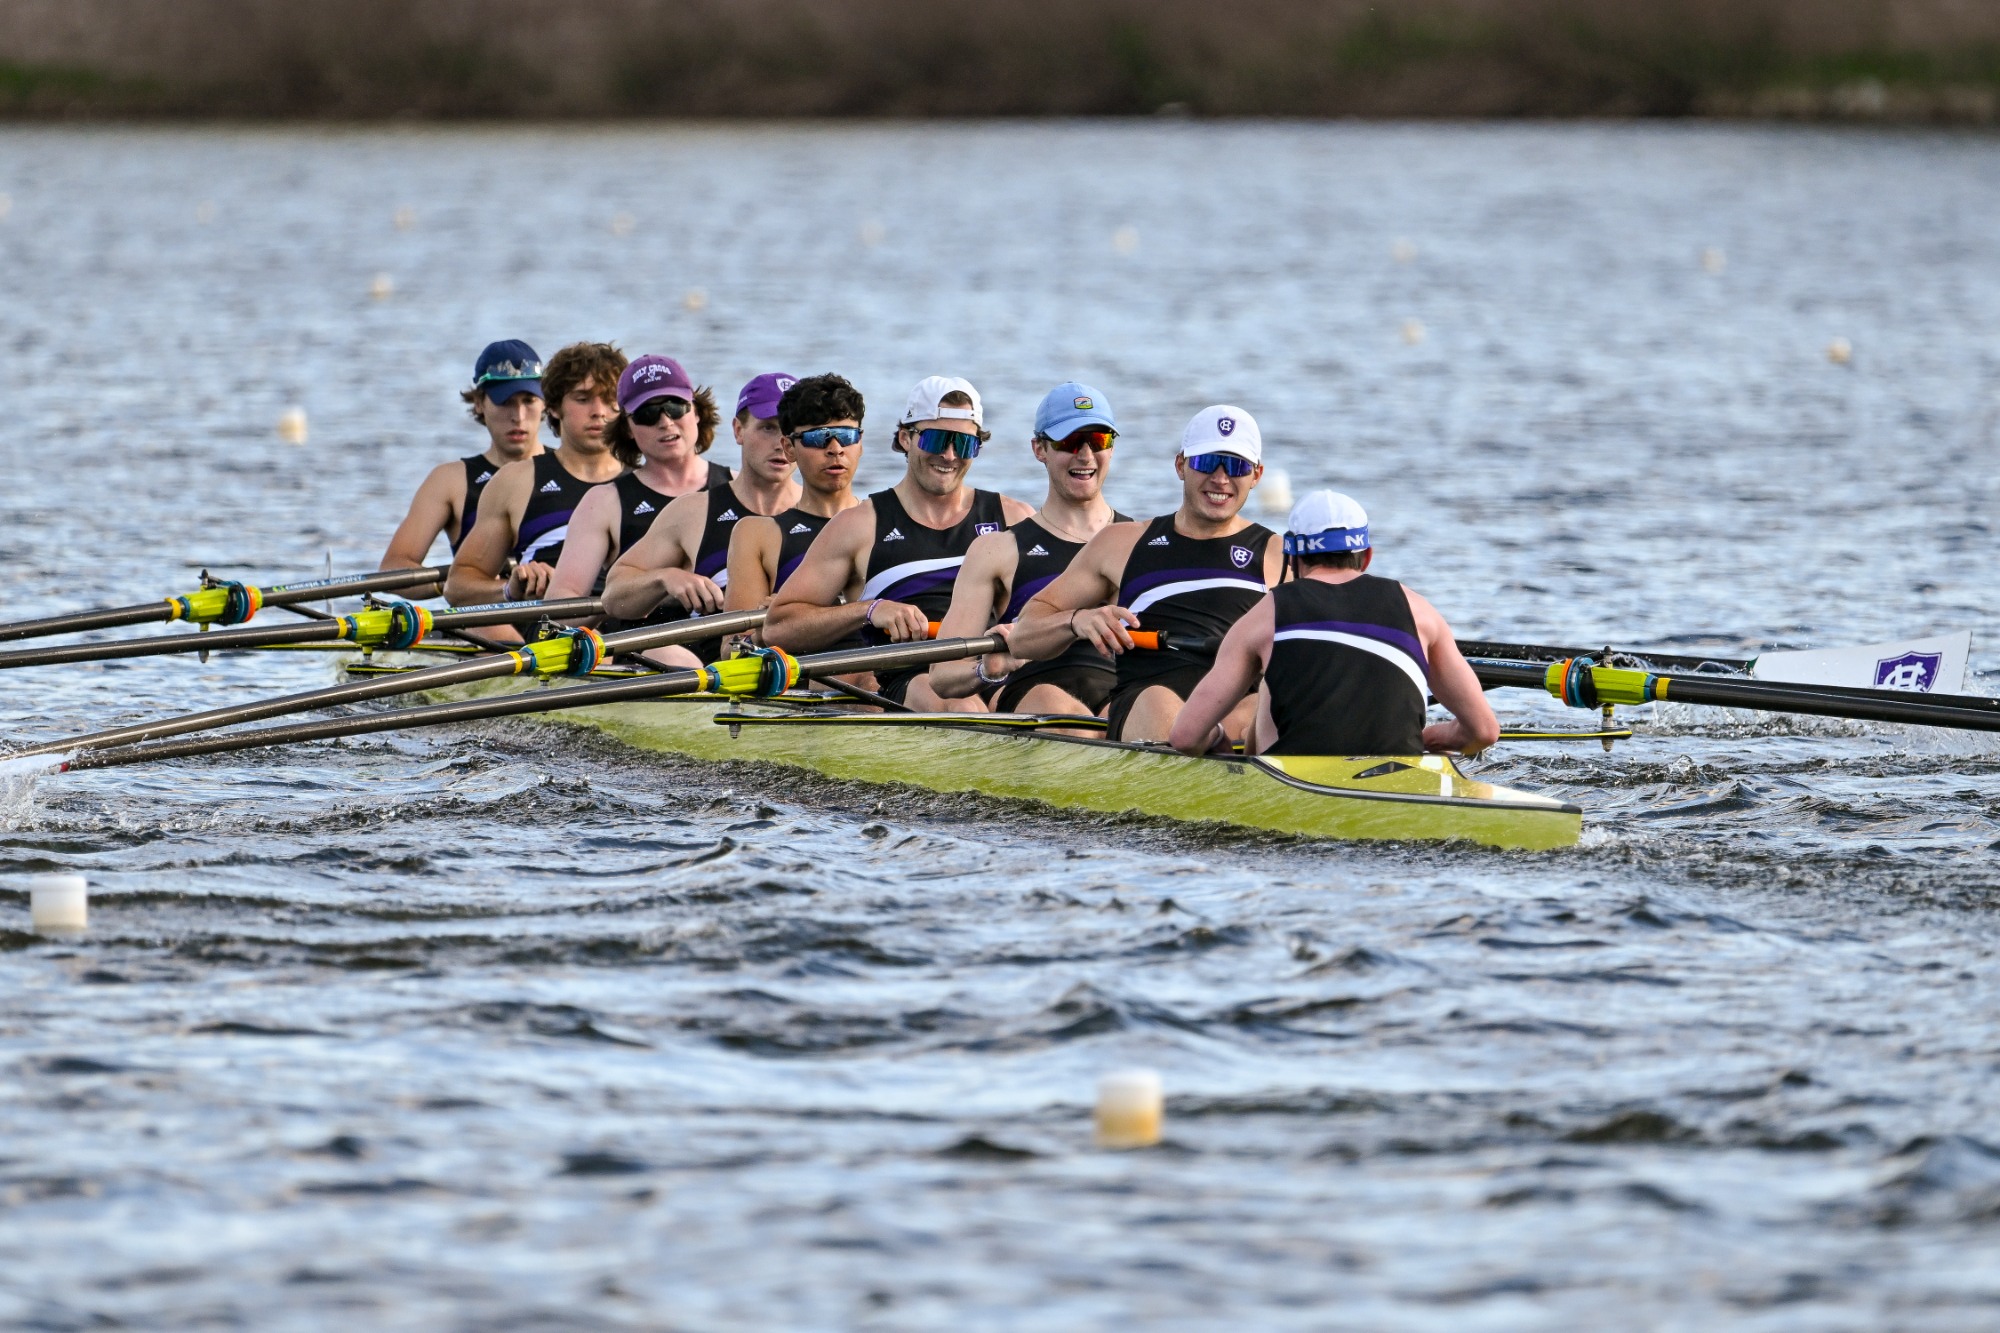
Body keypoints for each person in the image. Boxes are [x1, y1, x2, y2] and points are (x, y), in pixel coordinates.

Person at [1011, 405, 1283, 743]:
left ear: (1256, 476)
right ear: (1181, 465)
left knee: (1267, 704)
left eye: (1237, 466)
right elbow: (1023, 635)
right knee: (1158, 701)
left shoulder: (1278, 555)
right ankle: (1209, 753)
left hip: (1236, 707)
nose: (1221, 478)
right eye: (1207, 462)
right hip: (1147, 704)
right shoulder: (1123, 542)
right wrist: (1075, 620)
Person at [763, 376, 1033, 711]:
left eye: (964, 444)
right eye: (936, 440)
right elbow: (779, 627)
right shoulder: (860, 525)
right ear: (906, 438)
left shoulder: (1014, 519)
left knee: (1066, 708)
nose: (949, 456)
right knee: (962, 708)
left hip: (999, 668)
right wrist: (871, 609)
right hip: (911, 675)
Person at [1170, 491, 1499, 757]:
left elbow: (1185, 737)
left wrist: (1216, 739)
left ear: (1294, 560)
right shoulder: (1420, 610)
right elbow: (1484, 731)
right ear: (1366, 556)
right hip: (1400, 779)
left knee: (1270, 681)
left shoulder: (1264, 615)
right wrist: (1431, 738)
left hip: (1291, 788)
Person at [928, 381, 1128, 717]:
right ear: (1039, 449)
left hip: (1120, 695)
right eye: (1069, 441)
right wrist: (988, 669)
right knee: (1058, 707)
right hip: (1034, 697)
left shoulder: (1141, 540)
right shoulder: (996, 551)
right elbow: (943, 676)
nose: (1085, 455)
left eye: (1098, 440)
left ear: (1111, 448)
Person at [599, 371, 803, 665]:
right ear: (738, 431)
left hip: (803, 664)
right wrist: (665, 577)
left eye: (791, 431)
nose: (781, 443)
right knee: (663, 654)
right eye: (768, 428)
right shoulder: (693, 512)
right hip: (707, 668)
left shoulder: (831, 516)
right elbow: (613, 597)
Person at [445, 342, 628, 608]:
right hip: (555, 630)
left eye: (610, 399)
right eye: (583, 398)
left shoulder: (650, 481)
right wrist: (510, 589)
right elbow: (458, 586)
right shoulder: (516, 482)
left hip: (633, 628)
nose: (599, 411)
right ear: (552, 407)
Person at [546, 357, 737, 604]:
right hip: (641, 637)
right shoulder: (604, 503)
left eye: (676, 406)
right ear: (627, 428)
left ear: (697, 412)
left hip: (725, 637)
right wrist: (659, 582)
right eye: (648, 414)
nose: (666, 422)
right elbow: (561, 600)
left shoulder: (738, 484)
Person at [378, 340, 545, 571]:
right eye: (505, 402)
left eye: (528, 401)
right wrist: (462, 582)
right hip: (484, 602)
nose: (518, 416)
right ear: (478, 403)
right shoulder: (450, 482)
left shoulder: (571, 467)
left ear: (545, 404)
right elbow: (394, 565)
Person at [724, 373, 866, 613]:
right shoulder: (758, 535)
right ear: (789, 449)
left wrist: (806, 610)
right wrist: (773, 622)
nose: (836, 449)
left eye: (846, 436)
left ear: (860, 444)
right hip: (792, 651)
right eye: (819, 438)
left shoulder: (888, 521)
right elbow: (734, 646)